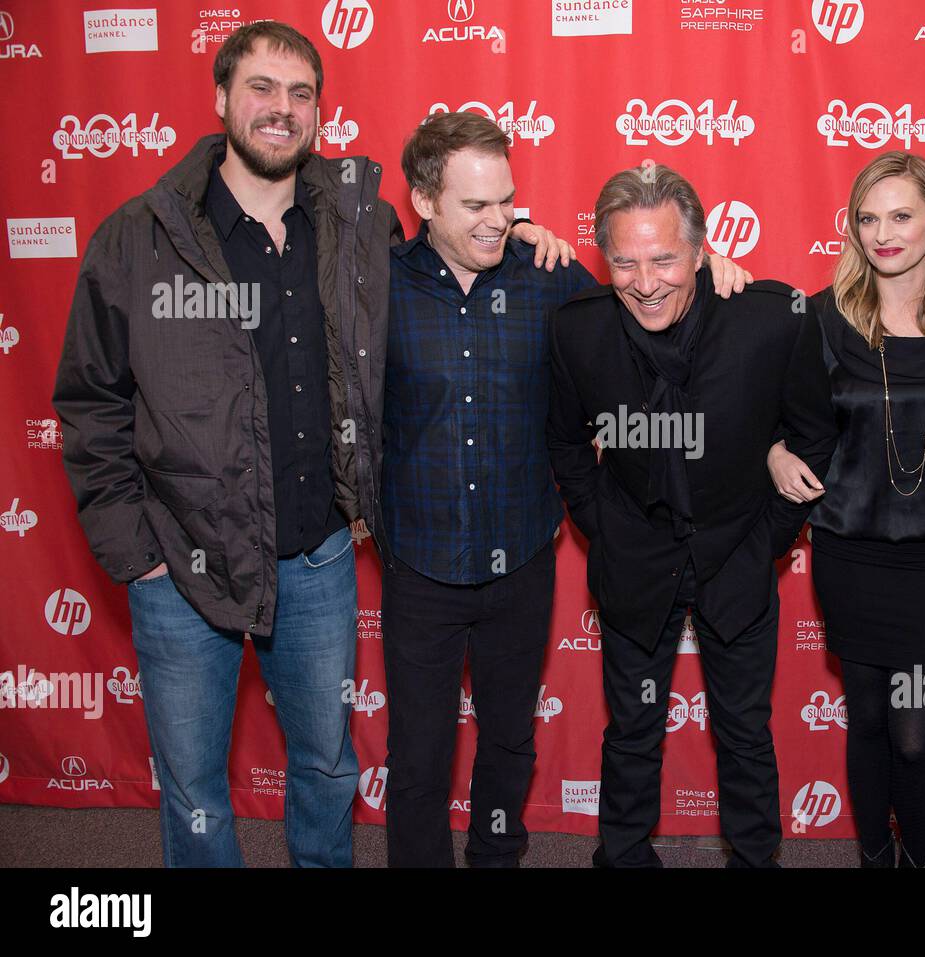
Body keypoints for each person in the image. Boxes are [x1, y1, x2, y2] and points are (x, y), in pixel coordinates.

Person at [51, 22, 569, 867]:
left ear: (319, 112)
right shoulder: (136, 238)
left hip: (318, 558)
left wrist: (518, 229)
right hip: (184, 563)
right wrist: (136, 549)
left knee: (327, 766)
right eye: (260, 88)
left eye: (300, 95)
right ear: (220, 99)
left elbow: (455, 251)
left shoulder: (357, 217)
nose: (280, 110)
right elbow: (90, 401)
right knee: (192, 787)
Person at [381, 120, 751, 867]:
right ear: (424, 200)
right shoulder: (379, 287)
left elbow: (647, 310)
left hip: (521, 557)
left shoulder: (548, 276)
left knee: (510, 736)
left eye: (507, 201)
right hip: (418, 562)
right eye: (475, 205)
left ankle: (496, 857)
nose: (499, 220)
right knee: (419, 753)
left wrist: (716, 274)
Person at [548, 164, 838, 867]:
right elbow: (561, 441)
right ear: (604, 258)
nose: (646, 282)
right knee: (633, 728)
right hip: (634, 556)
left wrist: (767, 537)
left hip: (737, 550)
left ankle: (753, 857)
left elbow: (814, 434)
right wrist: (604, 527)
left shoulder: (769, 319)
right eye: (625, 261)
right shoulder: (578, 331)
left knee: (743, 728)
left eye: (665, 259)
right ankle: (621, 856)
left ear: (702, 251)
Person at [767, 152, 925, 868]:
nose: (884, 233)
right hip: (850, 551)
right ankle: (874, 855)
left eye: (901, 215)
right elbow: (784, 415)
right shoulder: (826, 316)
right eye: (868, 218)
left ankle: (919, 856)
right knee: (866, 716)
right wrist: (774, 449)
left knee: (913, 735)